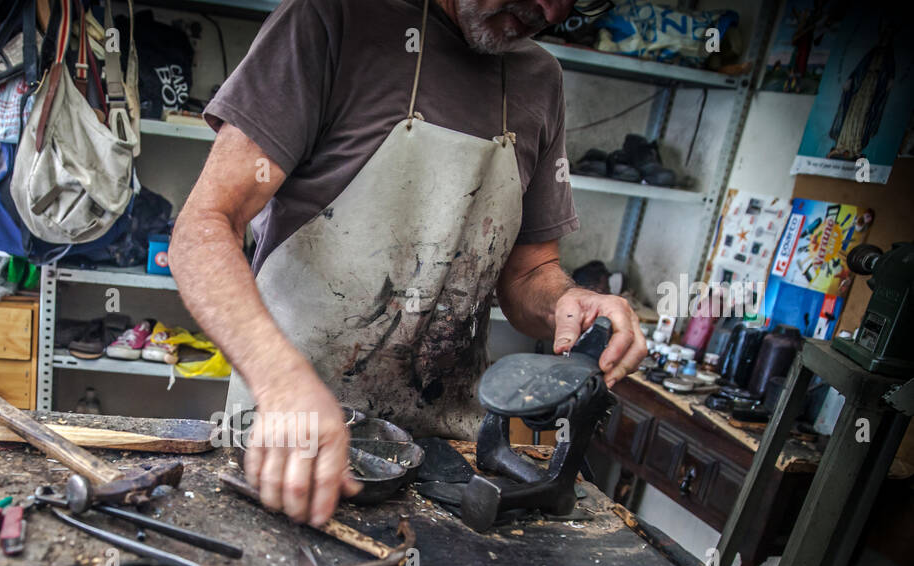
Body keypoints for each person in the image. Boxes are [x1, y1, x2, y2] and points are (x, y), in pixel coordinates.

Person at [170, 0, 647, 527]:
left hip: (448, 457)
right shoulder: (332, 18)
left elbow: (529, 274)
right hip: (295, 448)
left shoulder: (540, 79)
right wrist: (281, 381)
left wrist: (569, 302)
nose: (550, 11)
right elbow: (204, 228)